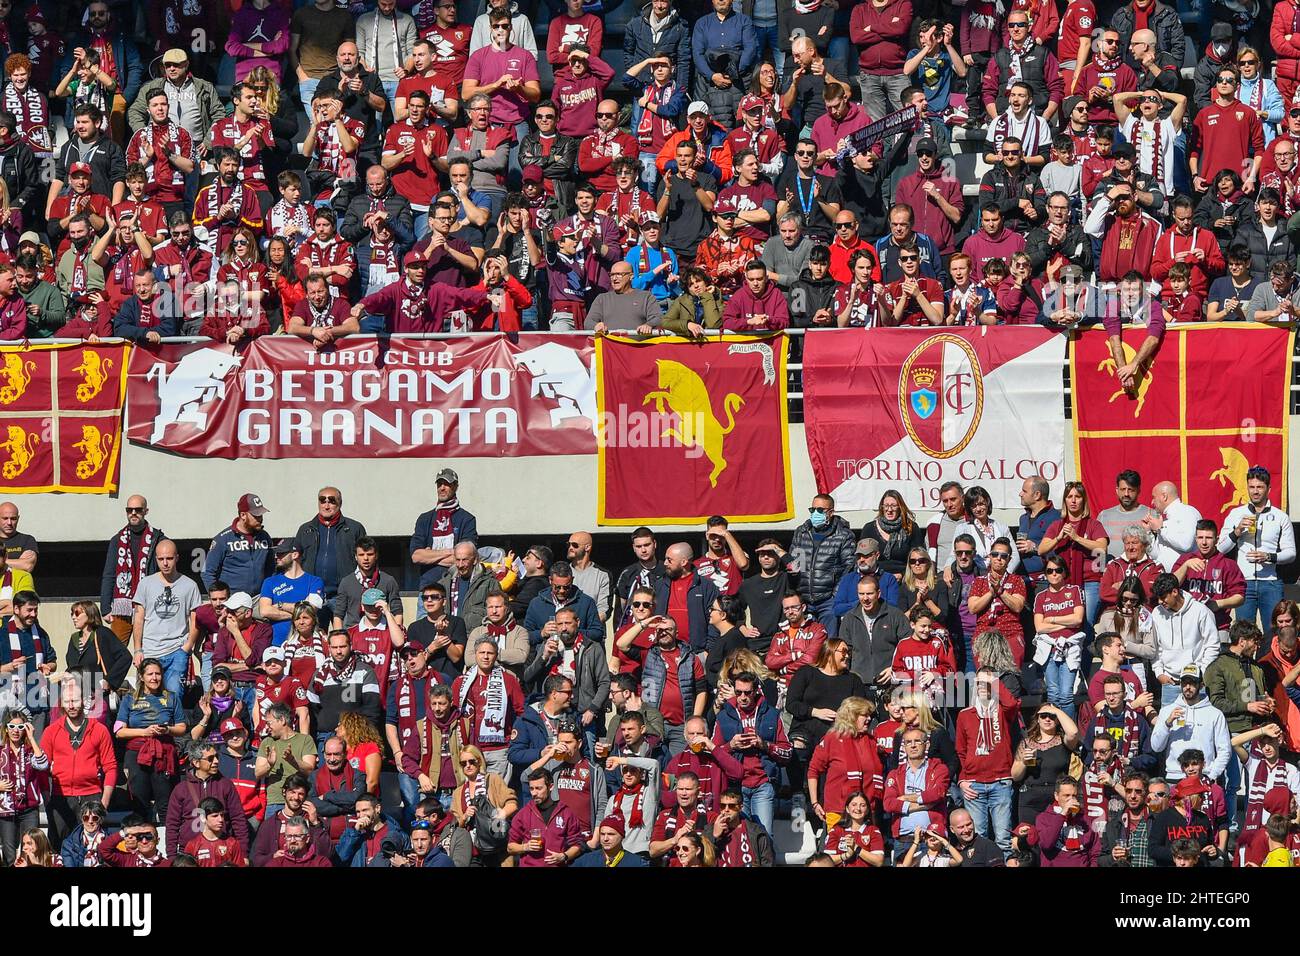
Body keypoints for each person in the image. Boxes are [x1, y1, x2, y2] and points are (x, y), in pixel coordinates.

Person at [1217, 465, 1295, 637]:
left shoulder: (1280, 517)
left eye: (1260, 487)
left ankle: (1271, 664)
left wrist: (1268, 556)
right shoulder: (1236, 514)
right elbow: (1220, 548)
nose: (1255, 491)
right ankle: (1245, 665)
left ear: (1268, 489)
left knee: (1274, 634)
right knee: (1244, 636)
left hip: (1271, 582)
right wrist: (1237, 531)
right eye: (1251, 487)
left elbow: (1291, 553)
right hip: (1243, 582)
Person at [712, 669, 789, 835]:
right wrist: (731, 745)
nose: (742, 697)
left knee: (764, 835)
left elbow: (788, 752)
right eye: (738, 692)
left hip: (763, 783)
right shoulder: (724, 716)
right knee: (739, 836)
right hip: (735, 787)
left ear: (755, 691)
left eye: (747, 693)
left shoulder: (772, 714)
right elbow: (713, 753)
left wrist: (764, 744)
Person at [955, 668, 1018, 855]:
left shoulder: (1003, 710)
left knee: (1003, 839)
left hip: (1001, 781)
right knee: (977, 838)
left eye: (987, 683)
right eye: (979, 683)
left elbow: (1011, 703)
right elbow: (961, 750)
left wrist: (993, 681)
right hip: (974, 784)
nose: (982, 687)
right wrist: (963, 779)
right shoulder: (965, 714)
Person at [451, 638, 525, 780]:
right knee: (472, 796)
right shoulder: (460, 682)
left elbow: (521, 711)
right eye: (482, 652)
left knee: (496, 797)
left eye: (490, 653)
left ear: (496, 656)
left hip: (499, 749)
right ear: (475, 654)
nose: (485, 656)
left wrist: (515, 736)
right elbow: (453, 713)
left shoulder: (508, 680)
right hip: (469, 749)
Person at [165, 738, 249, 859]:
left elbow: (238, 819)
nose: (215, 761)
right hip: (189, 853)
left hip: (222, 850)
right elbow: (172, 824)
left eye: (216, 757)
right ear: (196, 762)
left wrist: (243, 854)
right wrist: (172, 857)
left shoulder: (225, 784)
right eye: (210, 759)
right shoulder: (181, 789)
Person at [1151, 665, 1232, 785]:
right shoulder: (1167, 711)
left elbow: (1225, 750)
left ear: (1201, 684)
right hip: (1174, 777)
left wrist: (1211, 776)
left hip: (1203, 777)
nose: (1187, 687)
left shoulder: (1215, 714)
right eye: (1184, 683)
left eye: (1192, 683)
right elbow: (1156, 747)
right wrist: (1167, 724)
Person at [1150, 574, 1220, 706]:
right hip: (1169, 684)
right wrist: (1159, 673)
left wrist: (1202, 672)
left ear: (1175, 592)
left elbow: (1212, 645)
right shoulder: (1156, 613)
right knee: (1169, 724)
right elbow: (1155, 647)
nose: (1160, 601)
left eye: (1163, 597)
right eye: (1158, 598)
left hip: (1195, 683)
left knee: (1197, 724)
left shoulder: (1200, 611)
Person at [1032, 556, 1087, 719]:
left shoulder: (1075, 591)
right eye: (1050, 571)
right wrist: (1066, 623)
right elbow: (1039, 627)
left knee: (1066, 696)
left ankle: (1069, 733)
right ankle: (1055, 732)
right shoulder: (1041, 596)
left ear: (1064, 572)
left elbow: (1077, 620)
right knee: (1053, 695)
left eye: (1058, 570)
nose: (1054, 574)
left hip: (1070, 648)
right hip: (1049, 648)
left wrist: (1053, 619)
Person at [1012, 704, 1082, 824]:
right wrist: (1023, 762)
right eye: (1043, 716)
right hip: (1030, 799)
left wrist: (1055, 710)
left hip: (1055, 797)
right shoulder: (1027, 743)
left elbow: (1073, 733)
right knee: (1029, 838)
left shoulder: (1063, 741)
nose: (1047, 719)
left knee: (1055, 837)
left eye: (1052, 716)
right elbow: (1015, 776)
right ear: (1037, 720)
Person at [410, 468, 478, 588]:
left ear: (456, 486)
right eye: (439, 484)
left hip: (456, 586)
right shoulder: (424, 519)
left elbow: (464, 559)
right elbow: (416, 556)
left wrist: (430, 555)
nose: (442, 488)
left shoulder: (467, 519)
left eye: (447, 484)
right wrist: (449, 551)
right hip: (428, 589)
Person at [507, 768, 584, 867]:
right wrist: (525, 847)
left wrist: (564, 856)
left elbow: (578, 845)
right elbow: (510, 847)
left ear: (550, 787)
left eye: (538, 788)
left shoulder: (565, 812)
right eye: (531, 788)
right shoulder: (523, 814)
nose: (534, 793)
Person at [1148, 776, 1216, 866]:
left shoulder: (1203, 818)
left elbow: (1209, 845)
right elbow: (1153, 849)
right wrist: (1180, 855)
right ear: (1190, 796)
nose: (1203, 800)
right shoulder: (1164, 817)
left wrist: (1213, 851)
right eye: (1201, 796)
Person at [1035, 775, 1099, 866]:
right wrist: (1063, 813)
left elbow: (1095, 852)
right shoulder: (1044, 818)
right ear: (1056, 796)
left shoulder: (1086, 819)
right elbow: (1046, 845)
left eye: (1074, 796)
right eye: (1066, 795)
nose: (1071, 799)